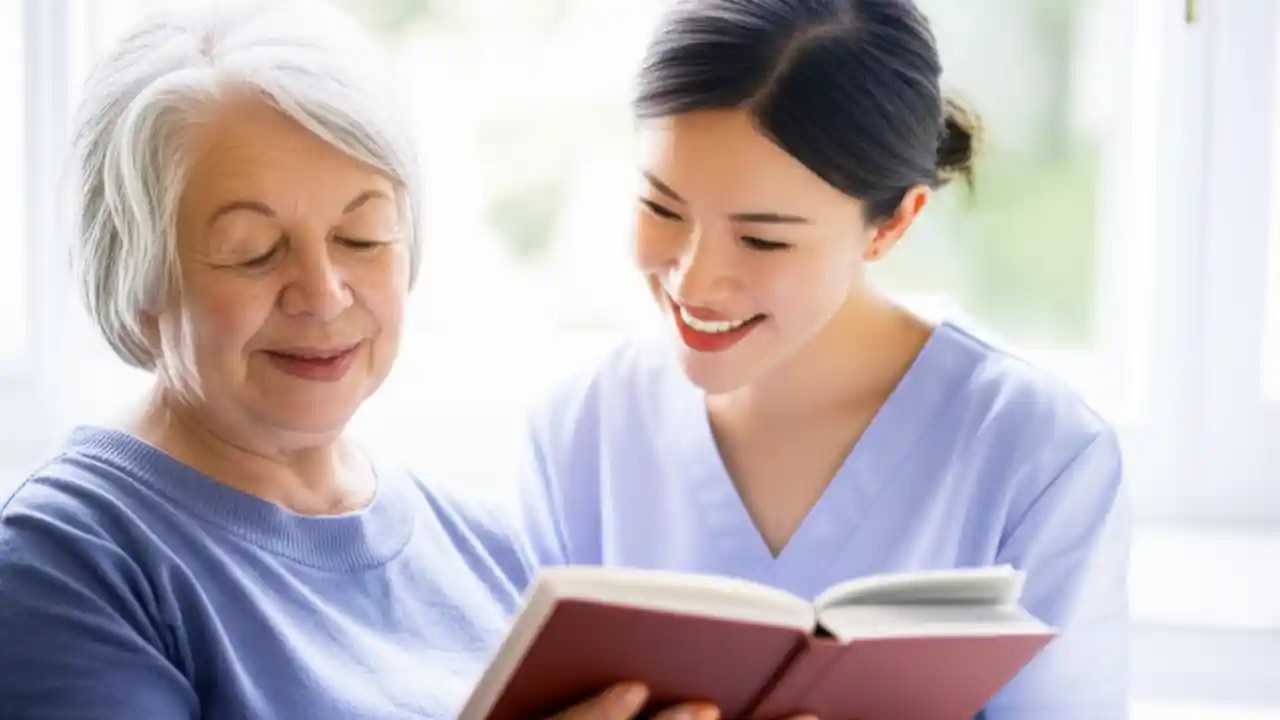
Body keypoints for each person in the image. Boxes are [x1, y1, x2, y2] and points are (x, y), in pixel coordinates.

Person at [0, 4, 730, 719]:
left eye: (363, 237)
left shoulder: (495, 551)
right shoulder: (67, 560)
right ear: (137, 277)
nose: (323, 294)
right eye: (253, 251)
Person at [516, 1, 1130, 717]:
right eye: (662, 208)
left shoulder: (1037, 454)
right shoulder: (580, 432)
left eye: (763, 240)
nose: (693, 281)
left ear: (891, 224)